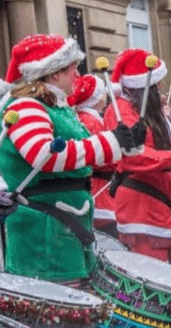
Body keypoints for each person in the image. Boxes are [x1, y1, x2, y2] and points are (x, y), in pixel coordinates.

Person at [0, 34, 143, 286]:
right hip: (43, 230)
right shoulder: (25, 106)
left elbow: (83, 156)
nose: (78, 73)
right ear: (54, 72)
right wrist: (110, 142)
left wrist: (124, 144)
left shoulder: (56, 107)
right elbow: (44, 156)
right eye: (73, 67)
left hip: (65, 224)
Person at [104, 48, 171, 262]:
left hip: (159, 203)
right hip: (143, 206)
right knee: (152, 276)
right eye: (155, 84)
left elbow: (165, 151)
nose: (161, 87)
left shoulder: (142, 110)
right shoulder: (122, 112)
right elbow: (137, 158)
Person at [69, 74, 119, 237]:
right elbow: (101, 155)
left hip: (98, 185)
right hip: (99, 188)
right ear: (97, 98)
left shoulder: (87, 118)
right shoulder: (91, 121)